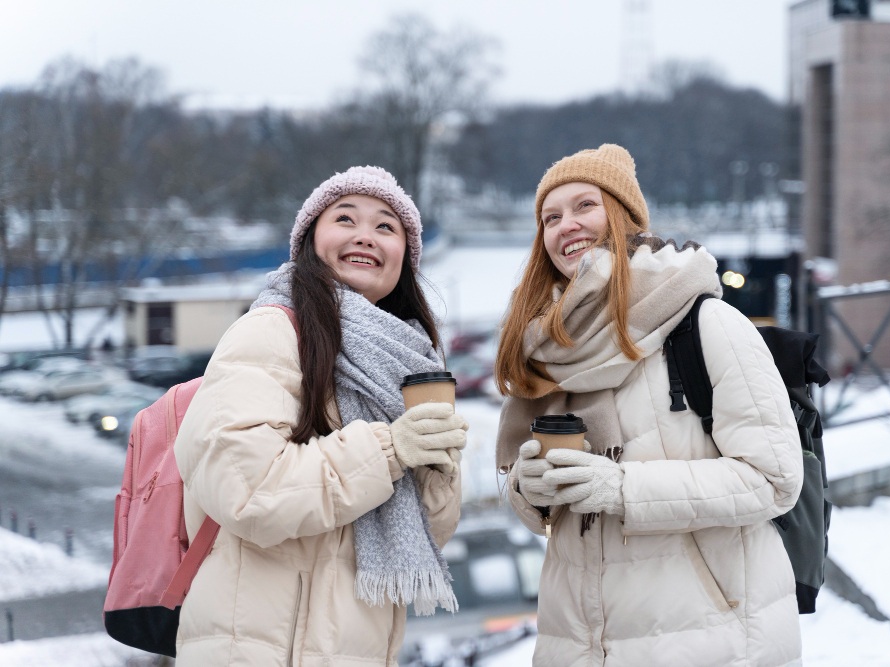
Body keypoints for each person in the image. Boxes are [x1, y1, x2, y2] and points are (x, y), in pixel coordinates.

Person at [494, 144, 804, 666]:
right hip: (579, 645)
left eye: (584, 206)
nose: (565, 225)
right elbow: (552, 524)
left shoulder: (704, 325)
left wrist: (619, 487)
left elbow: (774, 479)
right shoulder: (548, 348)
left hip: (712, 643)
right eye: (551, 216)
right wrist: (533, 489)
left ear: (623, 217)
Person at [173, 166, 467, 666]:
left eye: (385, 227)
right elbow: (249, 491)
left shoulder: (409, 359)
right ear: (311, 240)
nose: (364, 236)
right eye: (345, 218)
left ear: (405, 257)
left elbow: (426, 532)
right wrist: (392, 450)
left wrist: (435, 467)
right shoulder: (269, 331)